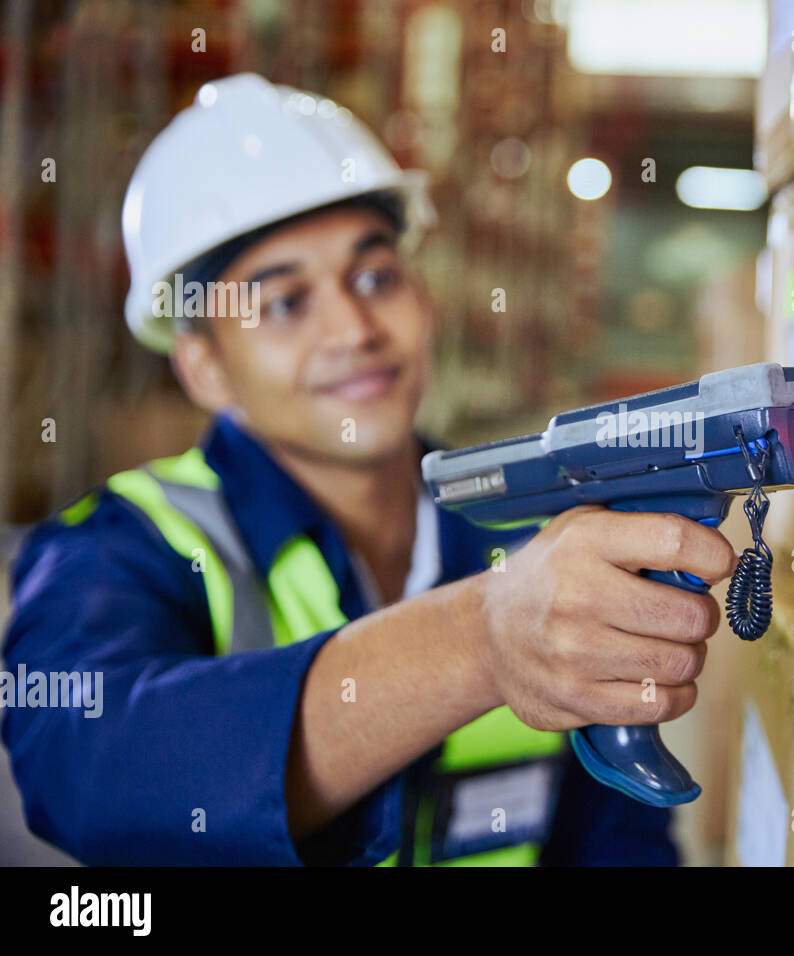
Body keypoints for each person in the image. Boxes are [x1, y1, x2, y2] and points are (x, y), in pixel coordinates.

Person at [1, 73, 736, 865]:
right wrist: (481, 640)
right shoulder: (118, 547)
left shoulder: (531, 532)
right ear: (203, 365)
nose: (354, 328)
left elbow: (613, 838)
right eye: (284, 303)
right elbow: (92, 771)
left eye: (376, 277)